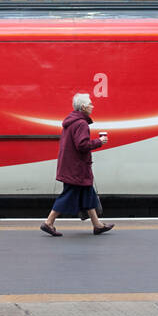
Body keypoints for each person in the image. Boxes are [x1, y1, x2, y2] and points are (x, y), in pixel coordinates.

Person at [41, 92, 113, 237]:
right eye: (90, 104)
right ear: (83, 107)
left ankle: (97, 225)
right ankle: (48, 223)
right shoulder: (81, 124)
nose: (92, 106)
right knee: (69, 194)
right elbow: (82, 145)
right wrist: (99, 142)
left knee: (88, 192)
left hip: (72, 166)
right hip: (76, 168)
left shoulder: (71, 122)